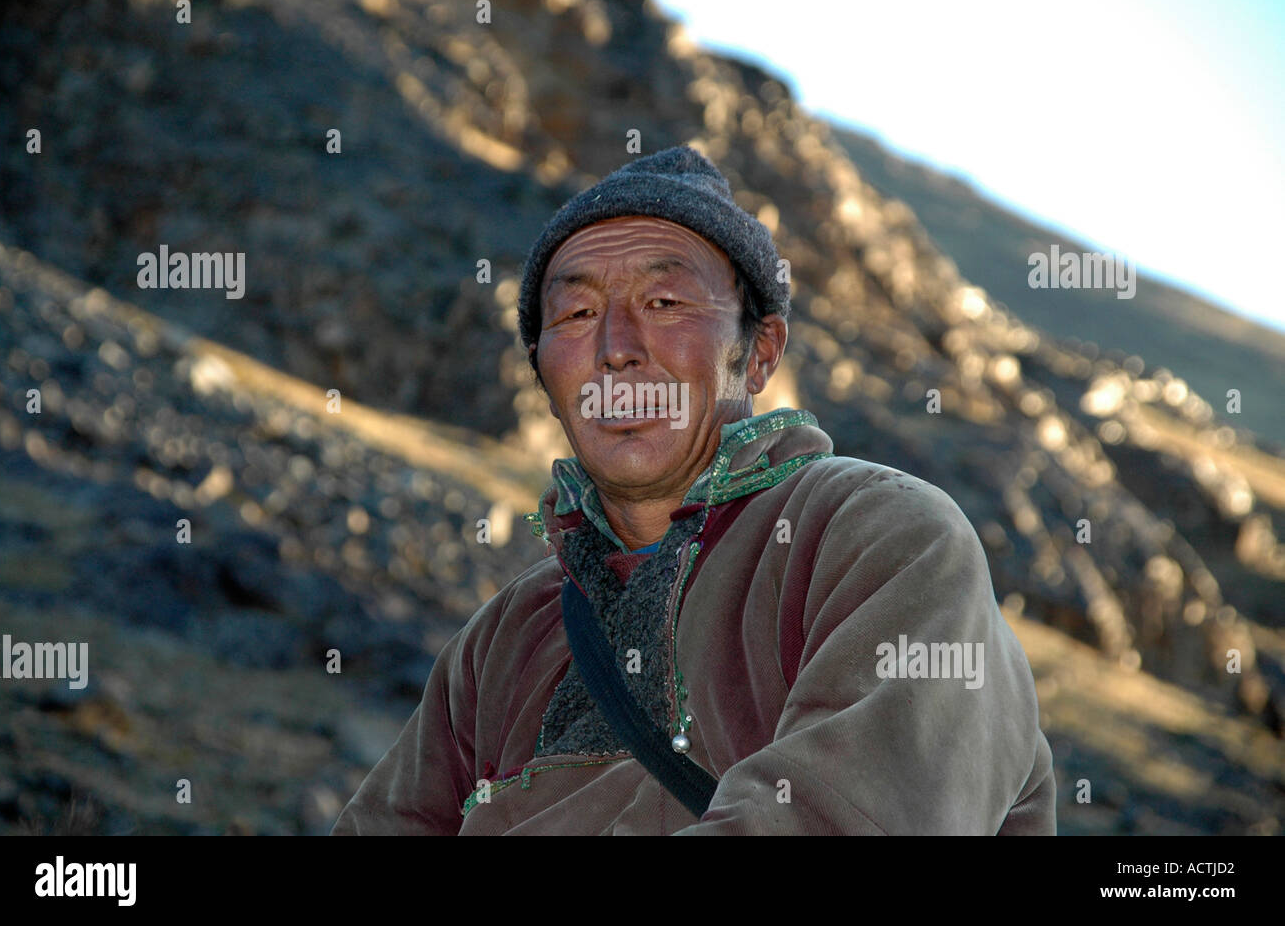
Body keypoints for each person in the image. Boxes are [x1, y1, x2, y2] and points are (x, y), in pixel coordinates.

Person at [332, 146, 1056, 835]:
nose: (616, 346)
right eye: (577, 314)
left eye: (666, 301)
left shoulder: (880, 536)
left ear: (760, 353)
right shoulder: (502, 639)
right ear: (545, 380)